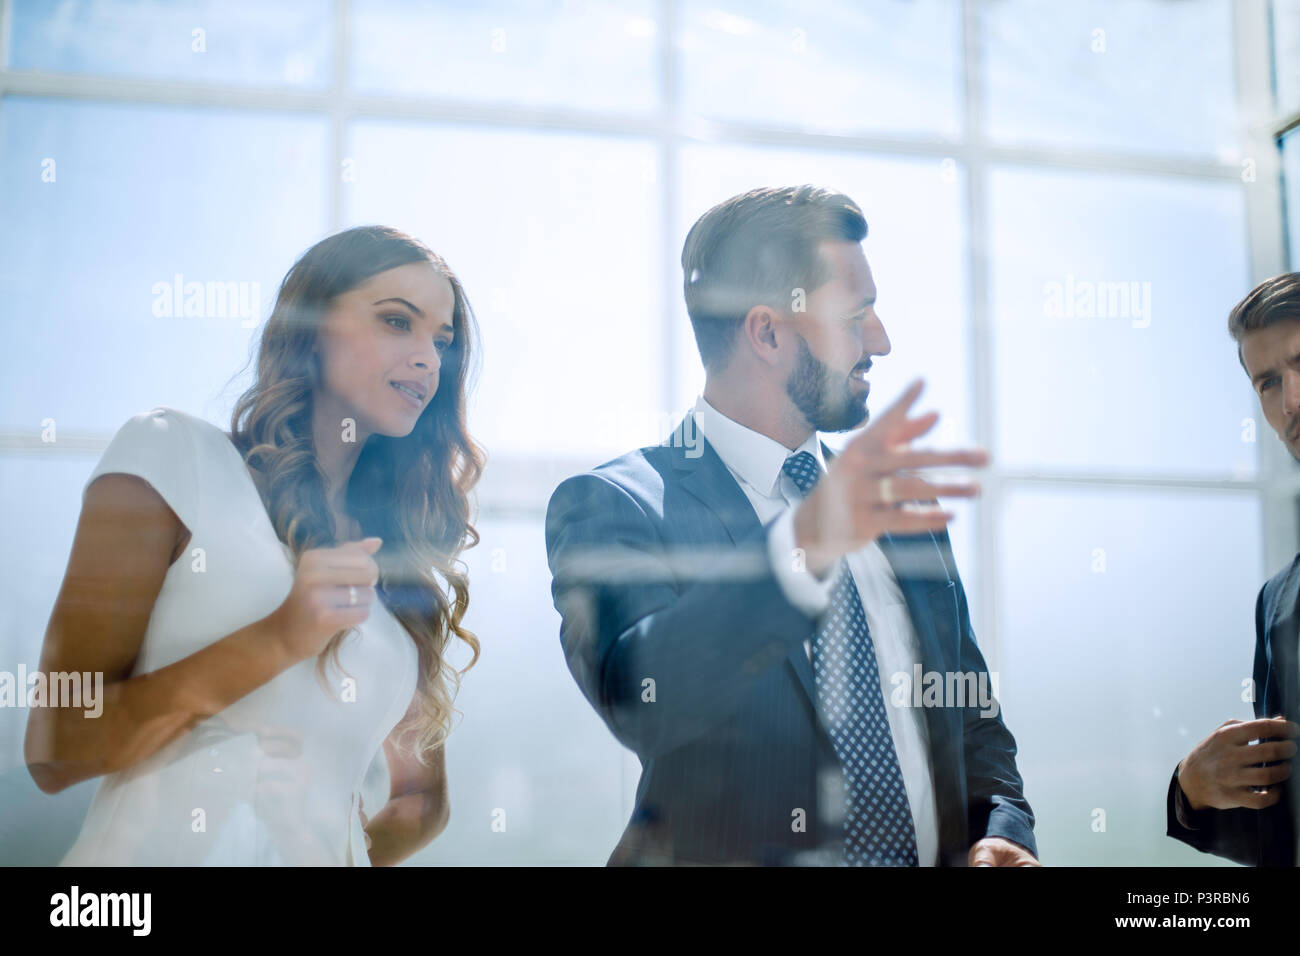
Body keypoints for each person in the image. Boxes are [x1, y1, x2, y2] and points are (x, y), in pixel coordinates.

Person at [544, 185, 1038, 865]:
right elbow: (640, 698)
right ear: (768, 332)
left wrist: (1001, 833)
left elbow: (975, 727)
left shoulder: (897, 508)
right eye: (856, 315)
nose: (882, 341)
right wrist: (802, 546)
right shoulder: (615, 507)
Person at [24, 225, 484, 865]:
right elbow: (56, 742)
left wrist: (326, 844)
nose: (429, 359)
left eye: (441, 340)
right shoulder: (172, 454)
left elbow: (420, 802)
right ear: (311, 327)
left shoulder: (399, 569)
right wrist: (279, 638)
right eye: (396, 321)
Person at [1167, 272, 1300, 866]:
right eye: (1269, 383)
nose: (1291, 401)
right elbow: (1282, 829)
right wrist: (1192, 790)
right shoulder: (1278, 602)